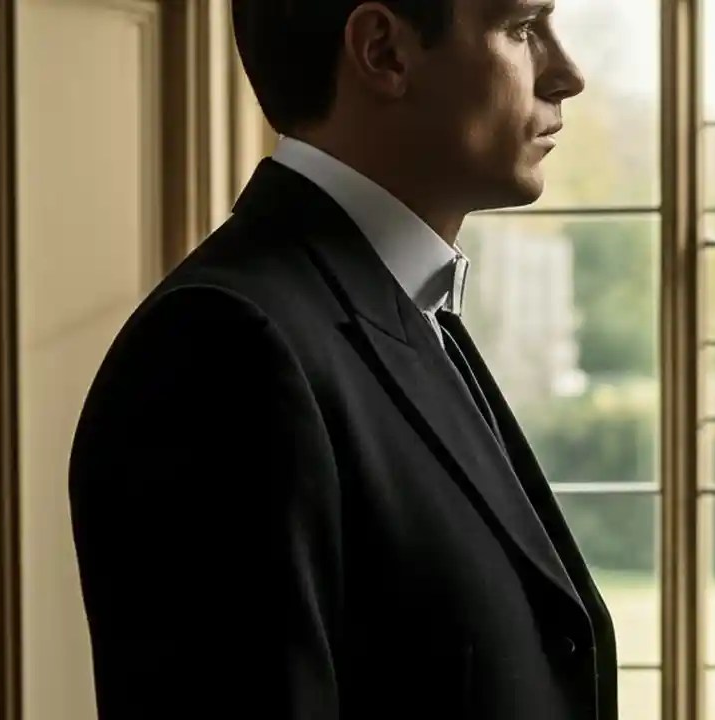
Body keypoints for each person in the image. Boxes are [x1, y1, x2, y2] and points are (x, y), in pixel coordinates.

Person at [68, 0, 612, 718]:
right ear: (384, 51)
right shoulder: (224, 350)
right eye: (520, 27)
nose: (568, 74)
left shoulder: (395, 305)